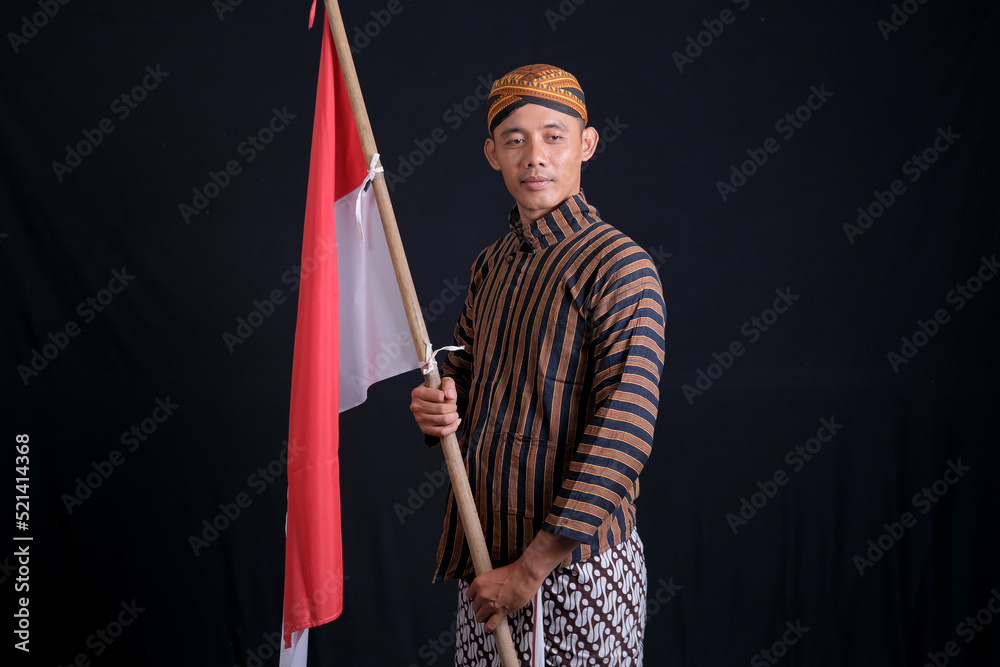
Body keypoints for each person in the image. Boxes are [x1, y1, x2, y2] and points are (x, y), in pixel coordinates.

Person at [410, 63, 666, 666]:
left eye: (554, 135)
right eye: (515, 139)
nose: (535, 157)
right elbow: (469, 376)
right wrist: (441, 398)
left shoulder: (619, 265)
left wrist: (531, 569)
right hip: (486, 560)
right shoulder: (491, 264)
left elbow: (622, 433)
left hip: (575, 567)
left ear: (587, 143)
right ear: (491, 153)